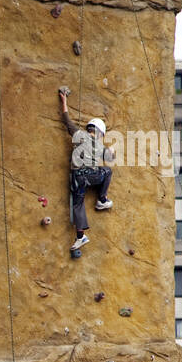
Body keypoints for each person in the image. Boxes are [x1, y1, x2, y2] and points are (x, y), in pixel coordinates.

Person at [59, 87, 116, 252]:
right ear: (99, 133)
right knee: (107, 172)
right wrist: (112, 151)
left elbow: (66, 120)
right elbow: (110, 159)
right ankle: (102, 200)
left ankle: (80, 236)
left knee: (78, 204)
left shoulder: (79, 134)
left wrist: (64, 100)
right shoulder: (99, 145)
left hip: (76, 176)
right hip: (89, 174)